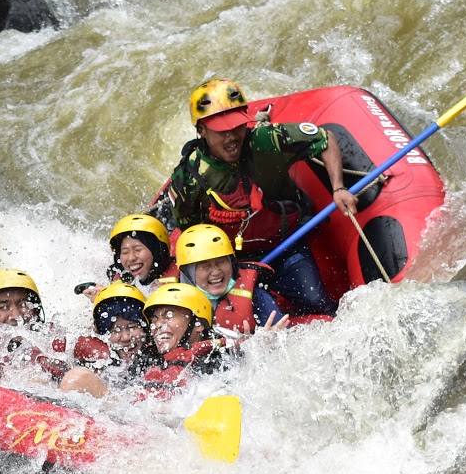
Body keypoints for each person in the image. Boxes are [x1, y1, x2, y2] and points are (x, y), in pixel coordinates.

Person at [149, 78, 353, 315]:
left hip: (284, 242)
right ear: (201, 130)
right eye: (221, 131)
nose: (231, 137)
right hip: (231, 263)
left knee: (315, 301)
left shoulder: (266, 140)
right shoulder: (189, 178)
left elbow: (325, 139)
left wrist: (338, 188)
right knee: (259, 316)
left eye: (236, 126)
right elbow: (189, 230)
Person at [0, 268, 103, 382]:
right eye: (4, 307)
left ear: (35, 310)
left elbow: (104, 348)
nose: (16, 315)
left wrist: (103, 306)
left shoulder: (55, 340)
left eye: (24, 304)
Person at [174, 223, 291, 335]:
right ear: (188, 273)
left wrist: (265, 345)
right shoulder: (172, 307)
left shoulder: (256, 296)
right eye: (205, 266)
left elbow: (287, 338)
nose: (216, 272)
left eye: (221, 262)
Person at [57, 281, 159, 398]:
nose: (125, 337)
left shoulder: (158, 358)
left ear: (146, 328)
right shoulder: (102, 361)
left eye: (132, 327)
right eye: (115, 330)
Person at [138, 281, 231, 388]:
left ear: (198, 324)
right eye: (154, 319)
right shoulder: (144, 361)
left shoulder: (217, 362)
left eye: (169, 315)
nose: (158, 324)